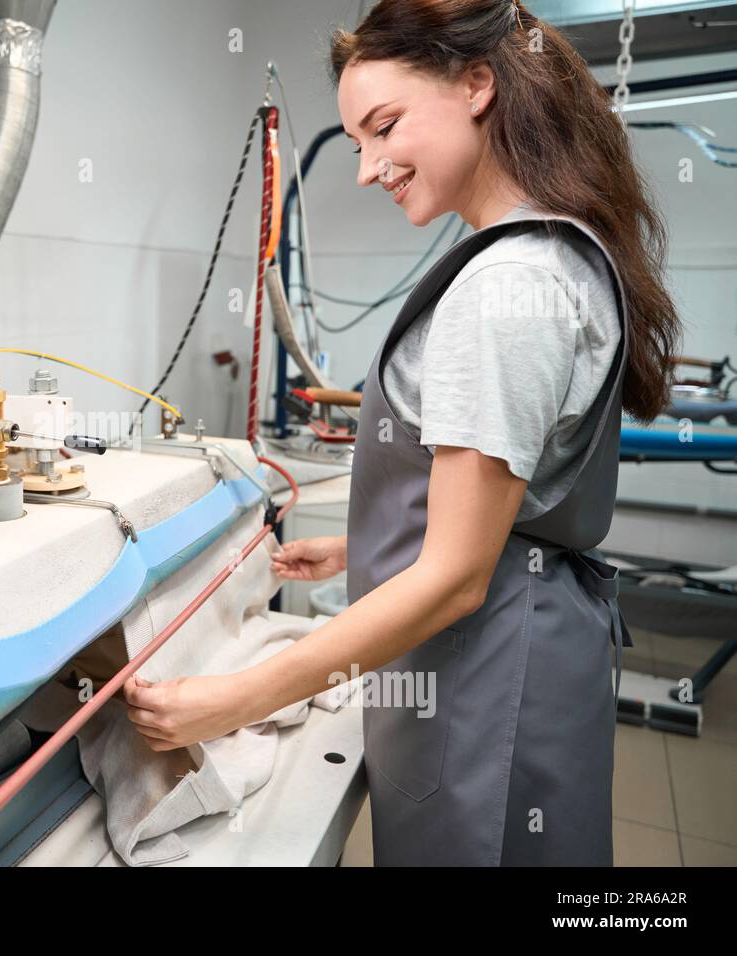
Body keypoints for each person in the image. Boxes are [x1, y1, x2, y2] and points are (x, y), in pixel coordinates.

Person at [123, 0, 680, 865]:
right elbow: (499, 510)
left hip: (491, 676)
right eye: (355, 144)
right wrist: (361, 550)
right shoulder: (550, 256)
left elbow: (457, 578)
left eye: (383, 128)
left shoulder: (506, 289)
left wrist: (234, 699)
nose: (367, 168)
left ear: (477, 84)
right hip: (520, 645)